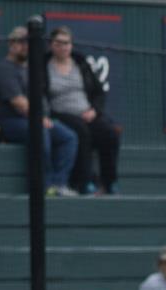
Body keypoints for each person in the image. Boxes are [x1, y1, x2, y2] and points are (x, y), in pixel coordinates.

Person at [0, 25, 78, 197]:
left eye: (28, 43)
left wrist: (43, 117)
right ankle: (43, 186)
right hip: (5, 123)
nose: (25, 46)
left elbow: (39, 99)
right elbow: (19, 103)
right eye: (20, 43)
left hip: (31, 119)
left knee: (69, 137)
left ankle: (59, 183)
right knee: (40, 131)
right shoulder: (4, 69)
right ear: (11, 44)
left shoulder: (29, 69)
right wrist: (40, 118)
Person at [45, 26, 120, 195]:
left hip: (87, 112)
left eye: (67, 43)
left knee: (110, 134)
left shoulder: (81, 63)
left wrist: (95, 111)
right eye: (58, 43)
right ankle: (85, 182)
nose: (63, 47)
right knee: (82, 132)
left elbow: (99, 92)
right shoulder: (44, 65)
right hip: (61, 114)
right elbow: (41, 94)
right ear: (51, 45)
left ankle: (110, 182)